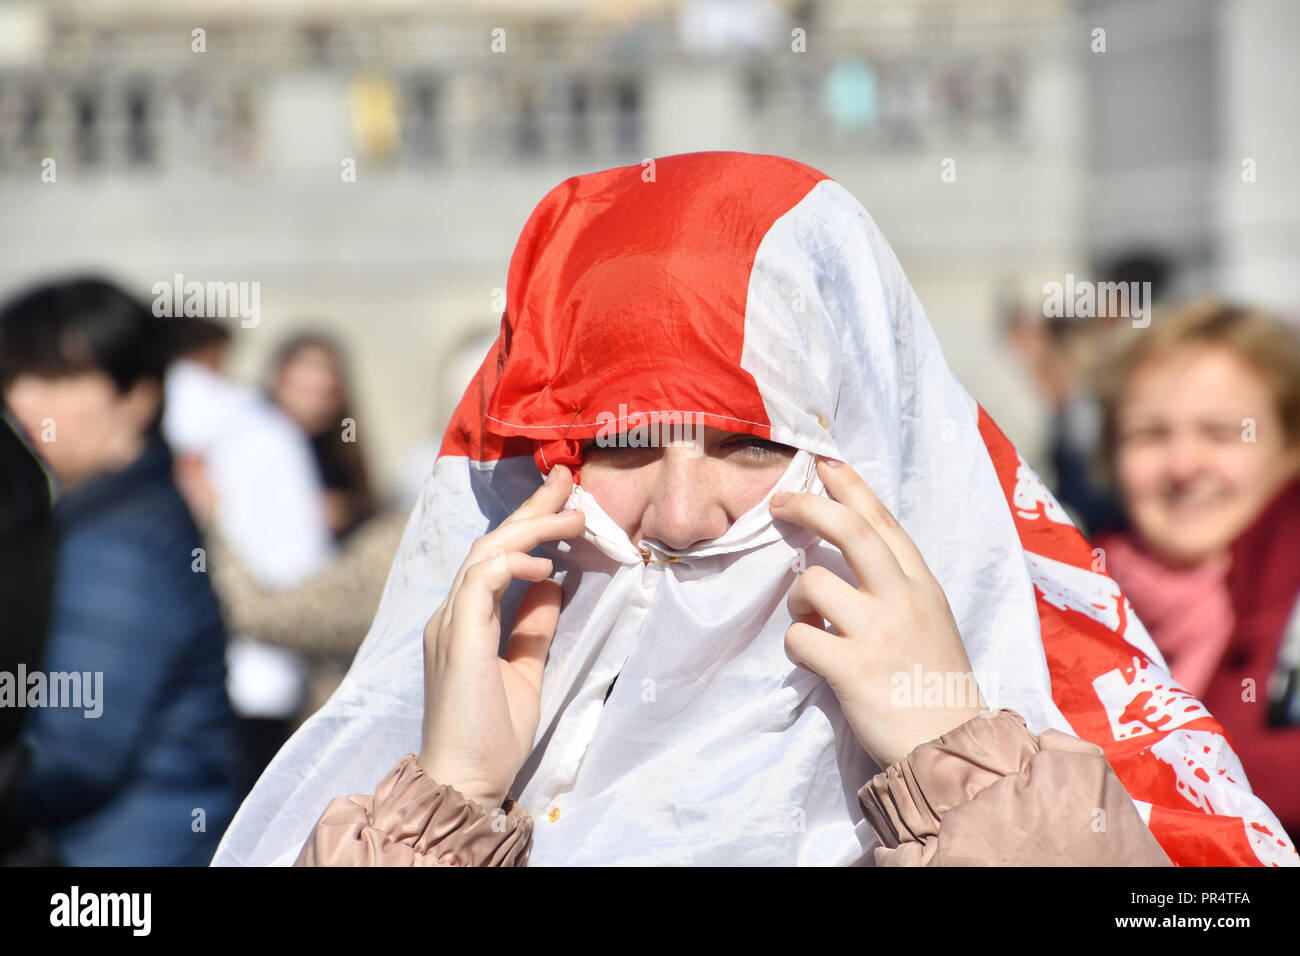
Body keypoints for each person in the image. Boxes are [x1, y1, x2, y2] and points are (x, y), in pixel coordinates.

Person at [213, 152, 1295, 867]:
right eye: (620, 443)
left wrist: (955, 763)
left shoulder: (1028, 680)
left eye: (750, 439)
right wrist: (445, 809)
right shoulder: (468, 702)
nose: (682, 512)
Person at [0, 277, 241, 865]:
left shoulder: (124, 539)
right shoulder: (114, 513)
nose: (25, 398)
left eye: (56, 376)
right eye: (15, 374)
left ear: (138, 394)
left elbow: (73, 752)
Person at [1091, 299, 1300, 838]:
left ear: (1291, 446)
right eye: (1149, 434)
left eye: (1222, 433)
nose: (1183, 466)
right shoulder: (1065, 601)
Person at [266, 331, 376, 541]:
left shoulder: (340, 444)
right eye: (305, 392)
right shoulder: (257, 439)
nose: (316, 407)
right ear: (280, 383)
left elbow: (365, 502)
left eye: (327, 395)